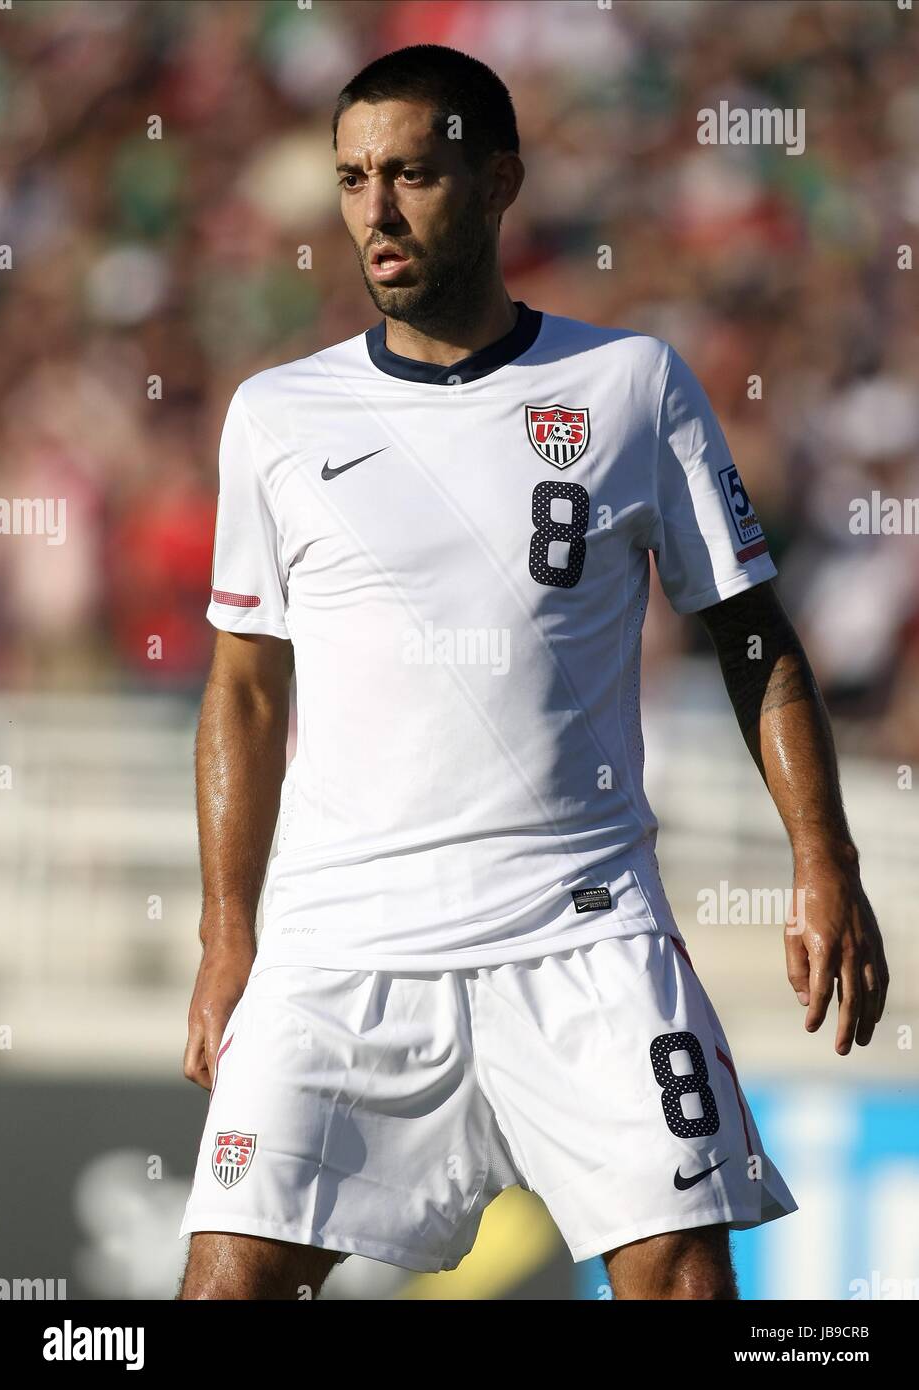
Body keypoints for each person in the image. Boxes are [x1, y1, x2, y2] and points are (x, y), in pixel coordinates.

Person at [177, 44, 888, 1301]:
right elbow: (241, 687)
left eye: (410, 173)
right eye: (351, 179)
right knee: (227, 1287)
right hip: (339, 946)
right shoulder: (278, 414)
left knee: (679, 1279)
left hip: (581, 935)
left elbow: (752, 635)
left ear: (497, 179)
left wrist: (821, 855)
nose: (376, 212)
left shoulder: (629, 386)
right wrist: (226, 931)